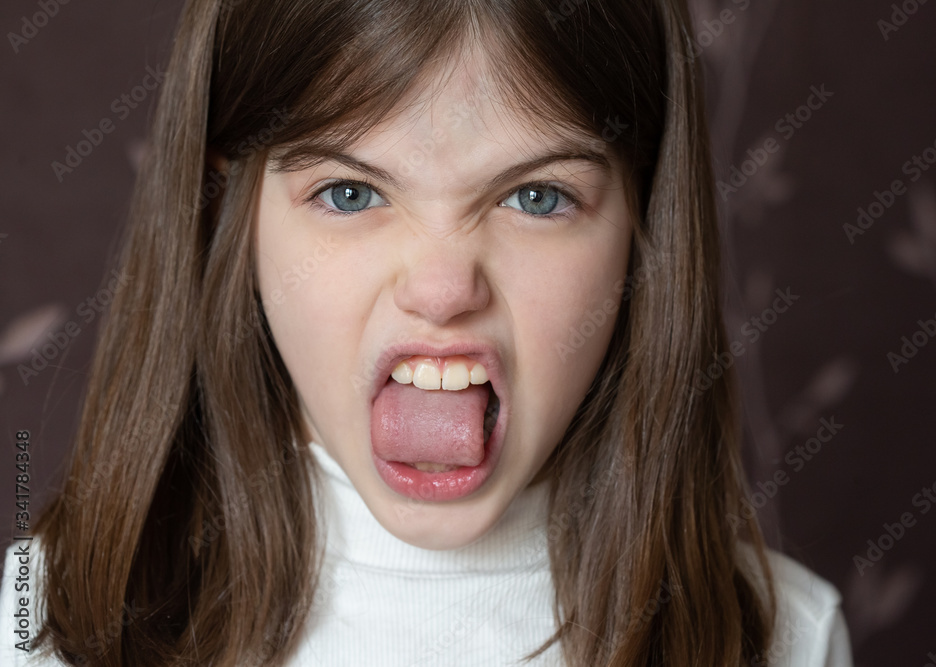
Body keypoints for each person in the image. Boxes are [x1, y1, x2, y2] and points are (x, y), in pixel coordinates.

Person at [0, 0, 852, 665]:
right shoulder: (44, 621)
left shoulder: (784, 638)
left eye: (537, 197)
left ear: (642, 223)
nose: (443, 290)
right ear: (229, 212)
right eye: (350, 193)